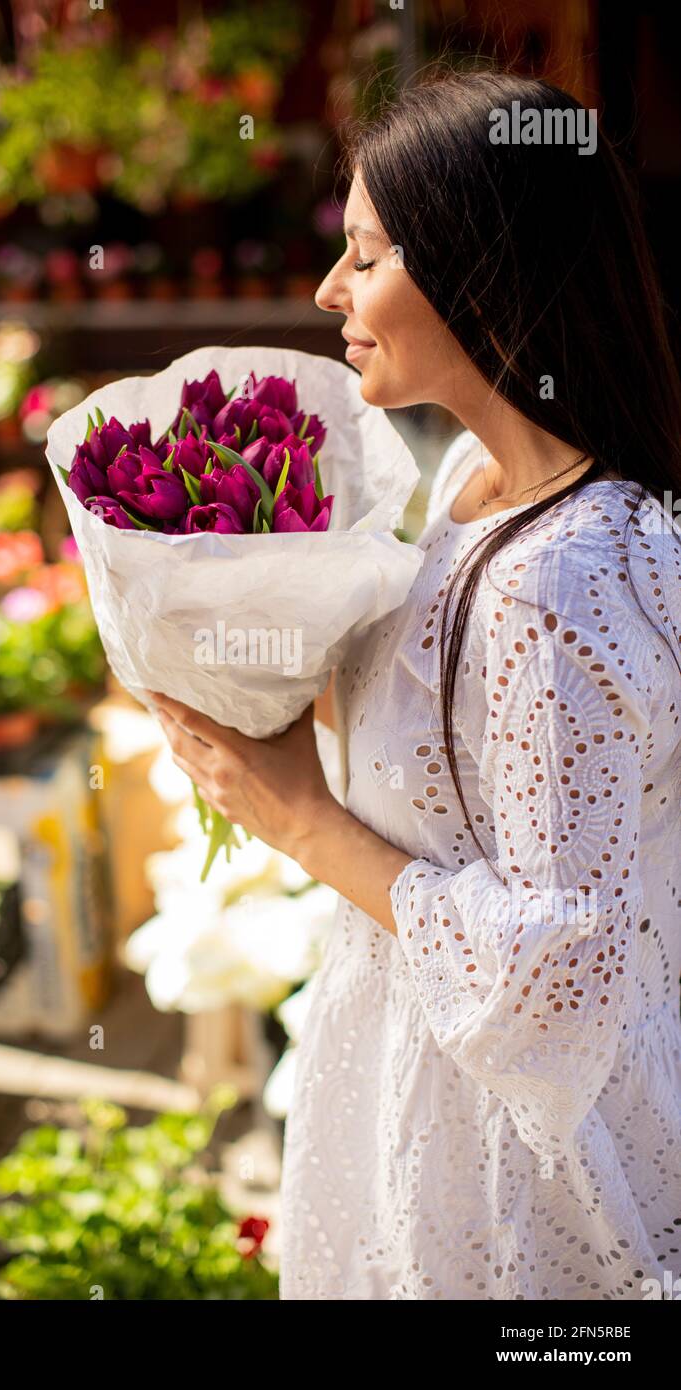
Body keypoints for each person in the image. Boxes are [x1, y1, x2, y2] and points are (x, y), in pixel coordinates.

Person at [149, 71, 681, 1300]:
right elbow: (455, 757)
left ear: (479, 266)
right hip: (414, 1089)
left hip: (518, 1175)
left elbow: (566, 964)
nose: (330, 290)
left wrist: (296, 820)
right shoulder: (467, 489)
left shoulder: (570, 571)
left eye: (366, 254)